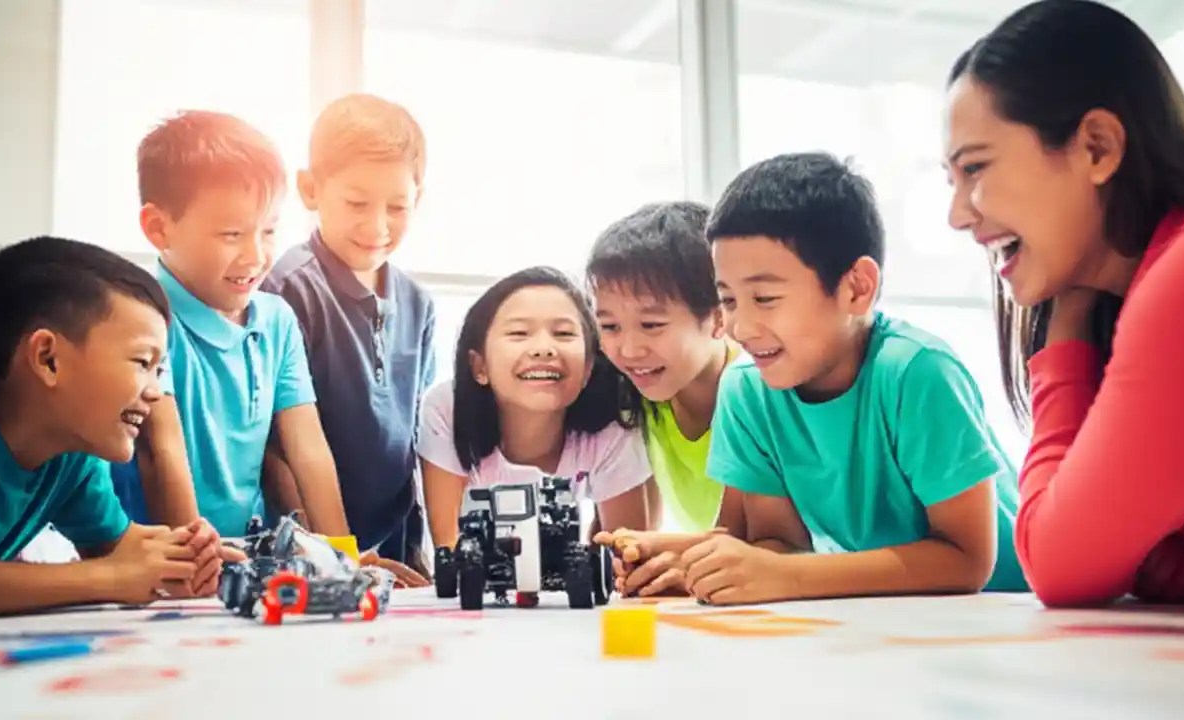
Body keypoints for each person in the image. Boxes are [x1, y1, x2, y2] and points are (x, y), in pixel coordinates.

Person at [599, 153, 1027, 603]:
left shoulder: (917, 372)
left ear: (857, 288)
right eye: (728, 300)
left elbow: (967, 561)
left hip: (1018, 608)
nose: (741, 328)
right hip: (892, 617)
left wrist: (787, 577)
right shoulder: (747, 389)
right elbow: (779, 545)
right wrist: (692, 562)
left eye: (764, 298)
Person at [944, 0, 1184, 605]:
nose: (958, 214)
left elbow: (1060, 565)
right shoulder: (1153, 288)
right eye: (951, 181)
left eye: (976, 169)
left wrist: (1064, 335)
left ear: (1096, 147)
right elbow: (1109, 554)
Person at [0, 236, 239, 620]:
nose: (155, 393)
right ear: (48, 359)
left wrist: (183, 558)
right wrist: (102, 578)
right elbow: (109, 571)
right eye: (143, 362)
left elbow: (118, 551)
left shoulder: (70, 457)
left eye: (158, 371)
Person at [117, 110, 352, 543]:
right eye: (230, 235)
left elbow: (308, 448)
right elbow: (161, 450)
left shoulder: (277, 320)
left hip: (249, 552)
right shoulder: (141, 316)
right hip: (165, 553)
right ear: (158, 227)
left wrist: (344, 558)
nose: (256, 257)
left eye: (267, 231)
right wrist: (196, 559)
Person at [262, 94, 435, 575]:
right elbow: (279, 448)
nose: (377, 226)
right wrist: (330, 555)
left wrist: (420, 548)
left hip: (395, 548)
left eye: (398, 207)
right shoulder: (289, 287)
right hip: (314, 551)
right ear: (310, 188)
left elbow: (417, 441)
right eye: (357, 203)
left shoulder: (419, 304)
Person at [418, 267, 653, 601]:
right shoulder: (448, 410)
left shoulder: (611, 424)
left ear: (587, 368)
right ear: (479, 366)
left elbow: (628, 557)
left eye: (563, 334)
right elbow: (450, 548)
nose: (544, 348)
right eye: (518, 333)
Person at [585, 201, 741, 535]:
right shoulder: (634, 391)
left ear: (718, 317)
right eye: (610, 326)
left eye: (652, 324)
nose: (628, 350)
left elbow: (750, 541)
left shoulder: (756, 390)